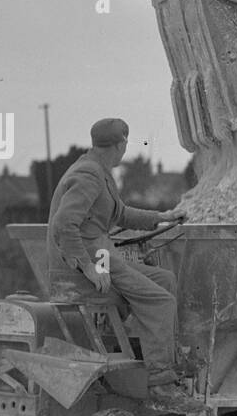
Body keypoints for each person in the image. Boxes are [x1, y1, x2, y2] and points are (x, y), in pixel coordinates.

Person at [47, 117, 189, 392]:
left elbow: (121, 214)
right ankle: (161, 380)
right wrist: (88, 268)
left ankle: (163, 358)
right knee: (162, 301)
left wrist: (163, 216)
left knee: (164, 280)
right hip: (92, 262)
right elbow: (64, 224)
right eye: (126, 142)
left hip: (101, 256)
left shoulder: (96, 171)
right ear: (120, 143)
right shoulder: (89, 176)